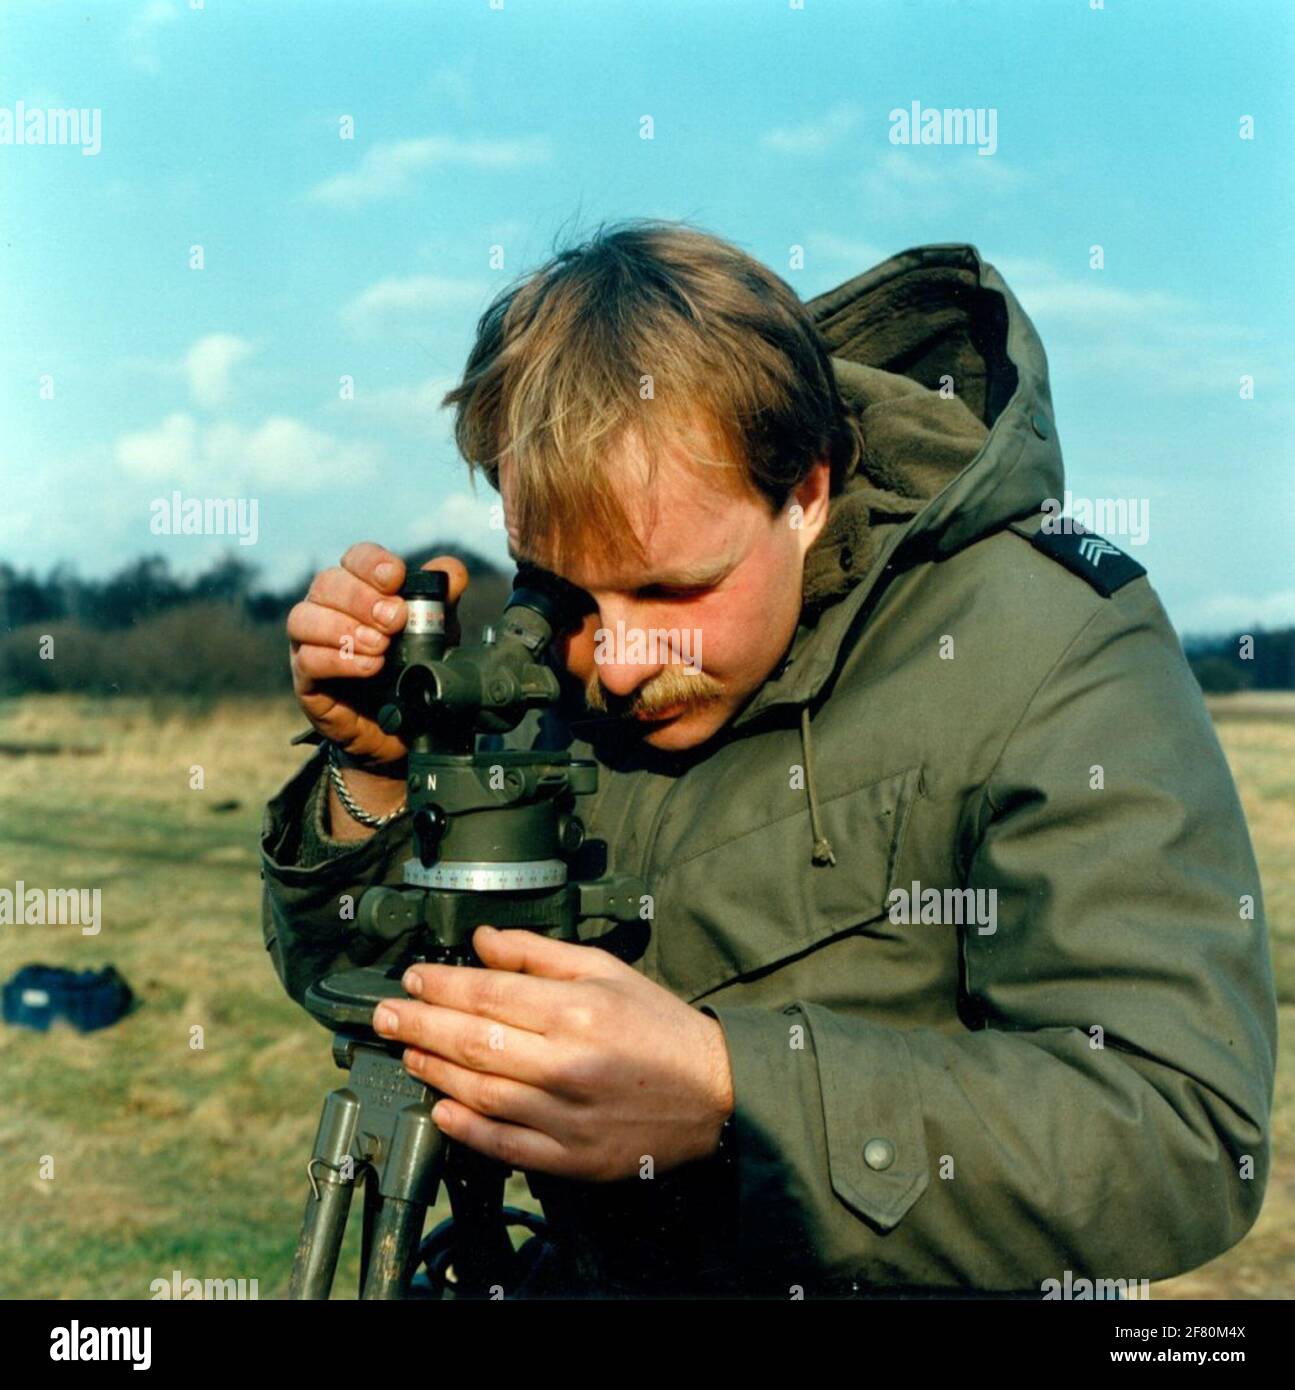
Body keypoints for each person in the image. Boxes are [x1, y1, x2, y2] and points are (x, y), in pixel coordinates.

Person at [262, 220, 1276, 1298]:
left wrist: (731, 1089)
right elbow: (370, 995)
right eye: (559, 586)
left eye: (668, 591)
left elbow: (1185, 1135)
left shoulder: (1048, 644)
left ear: (805, 491)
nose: (611, 663)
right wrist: (371, 777)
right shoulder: (562, 656)